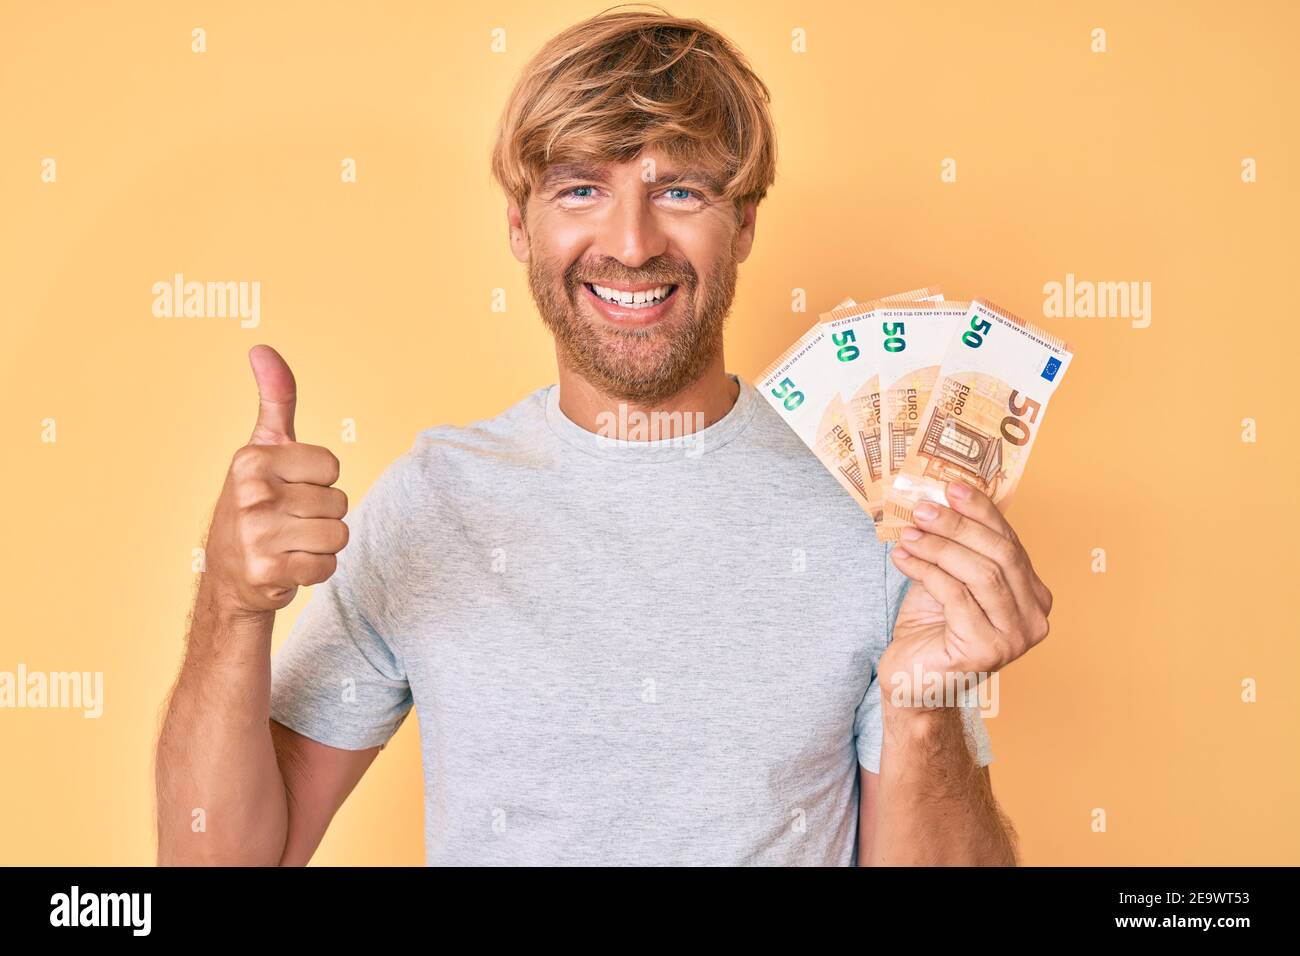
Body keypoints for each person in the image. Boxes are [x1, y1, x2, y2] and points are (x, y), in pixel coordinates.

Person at [155, 5, 1051, 866]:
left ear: (743, 225)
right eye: (582, 189)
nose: (630, 243)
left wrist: (923, 709)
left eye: (680, 191)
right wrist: (231, 605)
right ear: (520, 226)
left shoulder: (880, 513)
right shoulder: (433, 503)